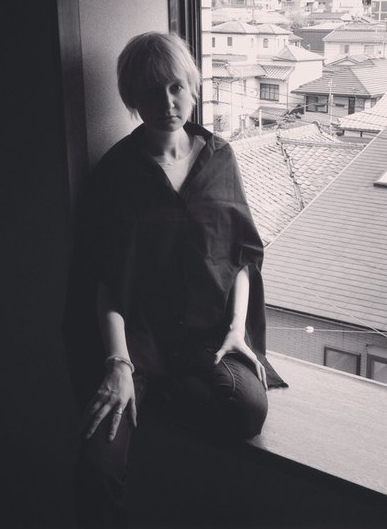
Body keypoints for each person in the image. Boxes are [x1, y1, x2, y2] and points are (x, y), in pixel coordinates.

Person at [63, 32, 286, 529]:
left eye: (175, 87)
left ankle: (163, 389)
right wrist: (119, 364)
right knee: (98, 465)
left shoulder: (220, 157)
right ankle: (148, 384)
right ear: (132, 100)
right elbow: (104, 280)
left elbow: (242, 256)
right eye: (150, 92)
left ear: (192, 87)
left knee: (246, 410)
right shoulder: (116, 173)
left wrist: (237, 330)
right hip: (138, 340)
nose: (167, 103)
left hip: (208, 335)